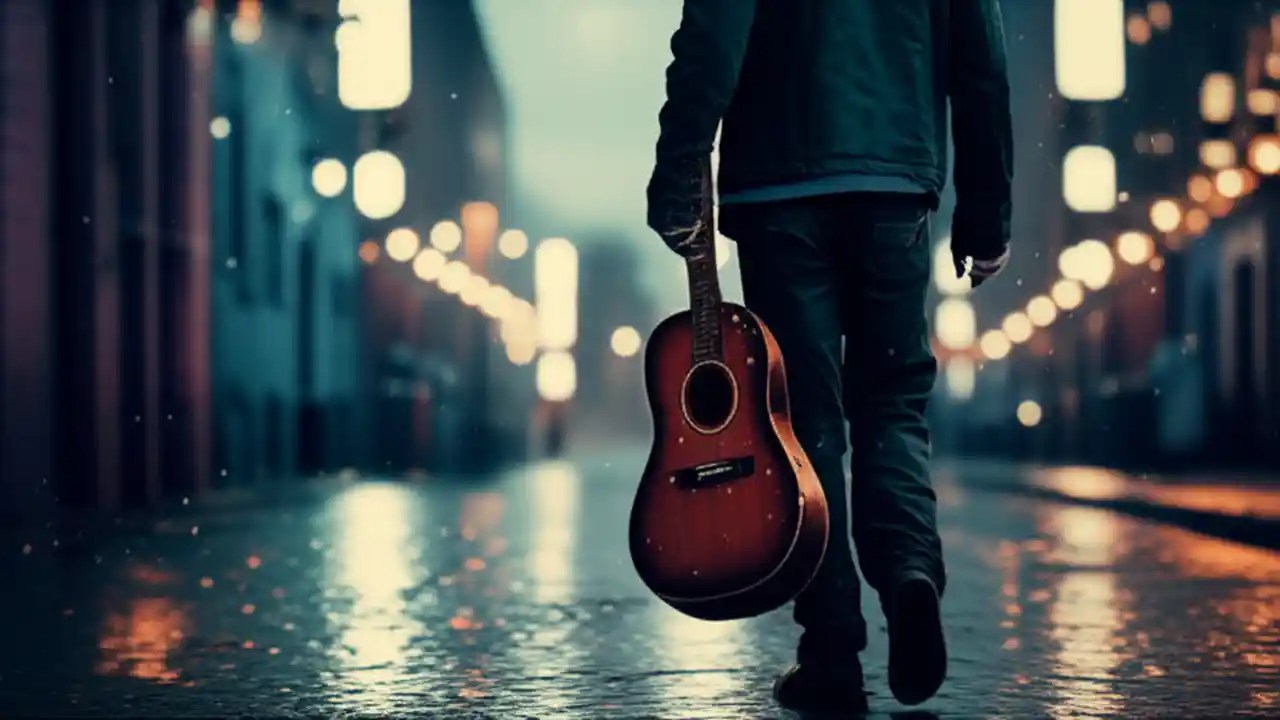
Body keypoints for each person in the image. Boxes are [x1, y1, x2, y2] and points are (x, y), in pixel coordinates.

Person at [646, 0, 1013, 713]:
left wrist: (679, 168)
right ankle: (909, 573)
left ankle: (832, 651)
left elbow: (712, 36)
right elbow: (982, 65)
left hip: (779, 186)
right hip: (894, 183)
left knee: (802, 423)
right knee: (893, 404)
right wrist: (985, 212)